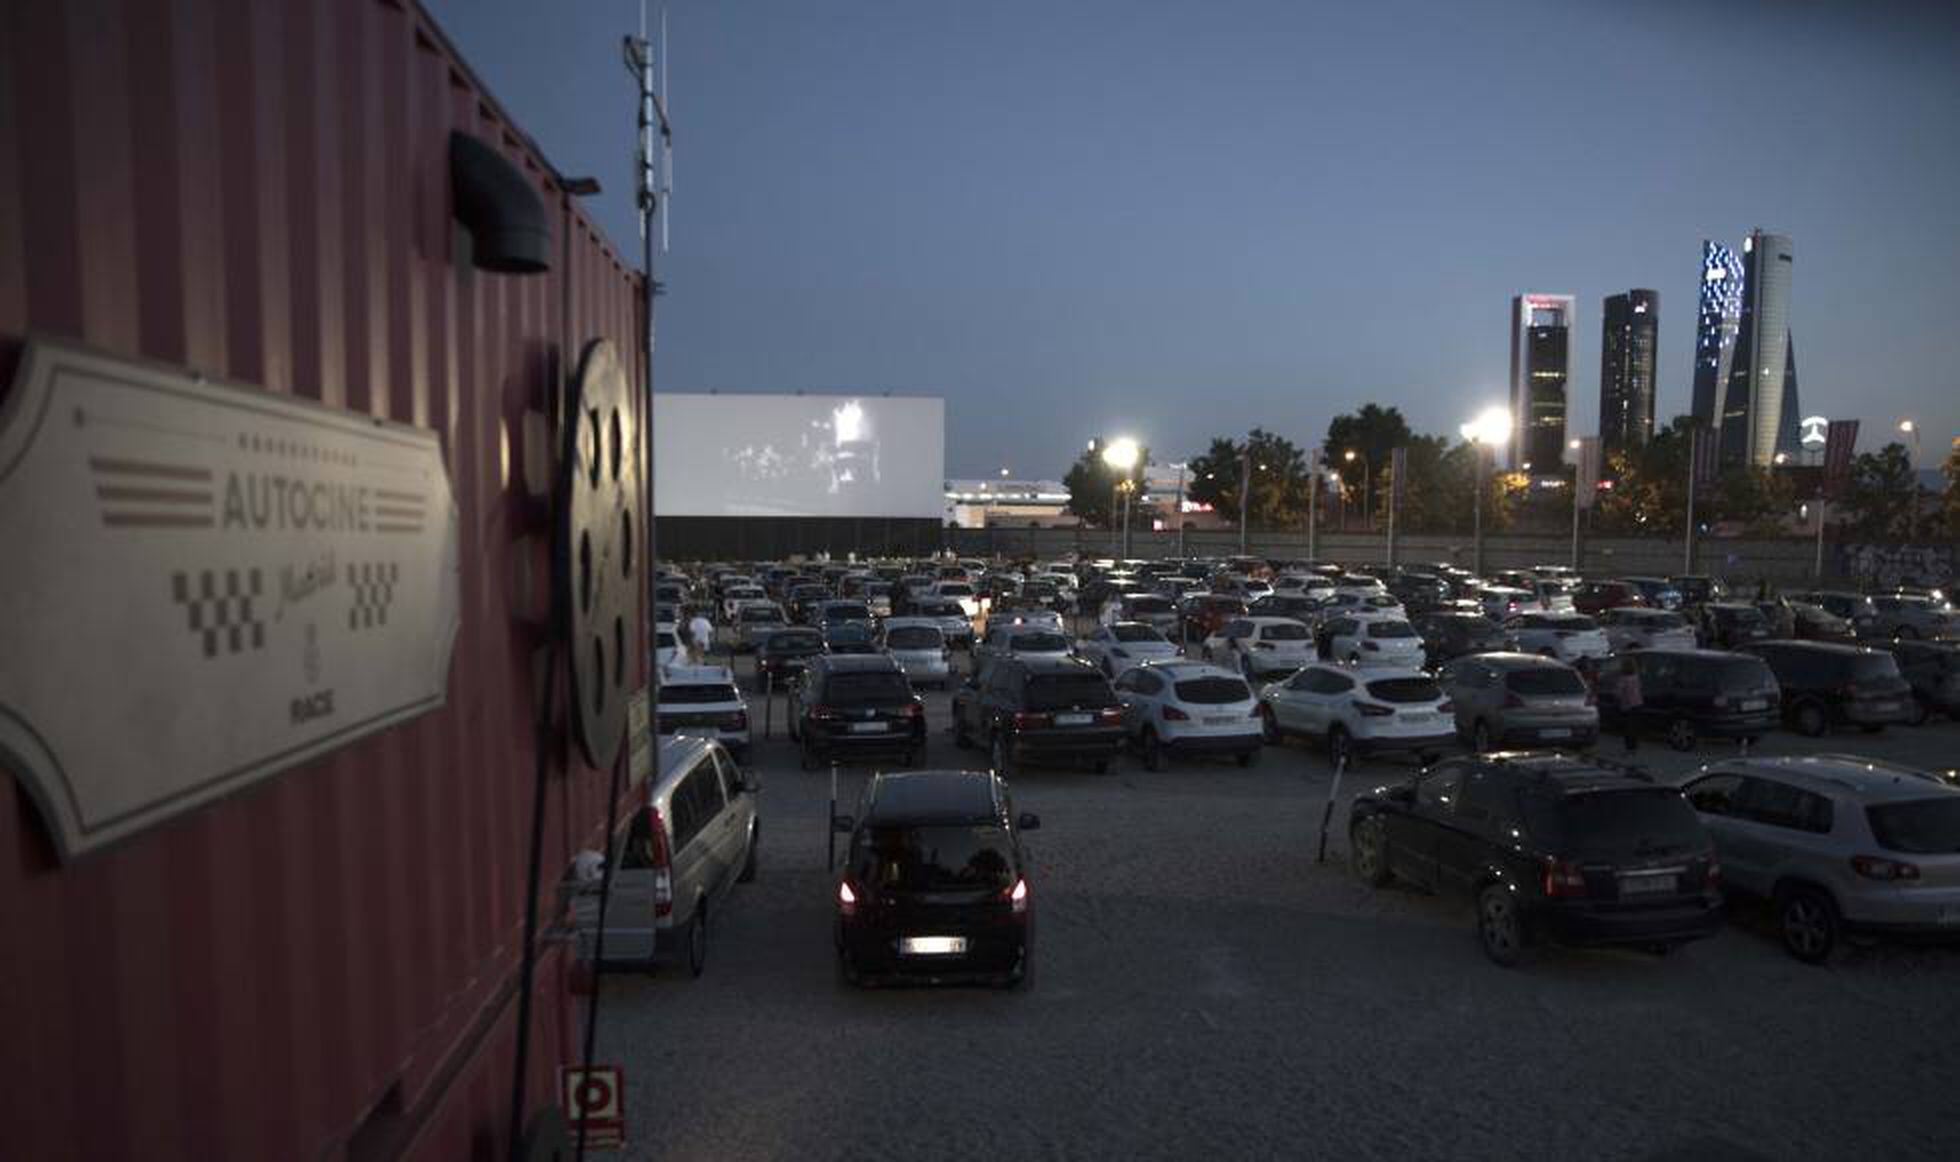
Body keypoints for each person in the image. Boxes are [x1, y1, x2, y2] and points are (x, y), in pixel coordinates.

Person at [1613, 655, 1643, 754]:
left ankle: (1629, 748)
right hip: (1637, 704)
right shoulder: (1636, 677)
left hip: (1627, 705)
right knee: (1635, 726)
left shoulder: (1623, 679)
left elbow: (1618, 693)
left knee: (1627, 728)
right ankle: (1634, 747)